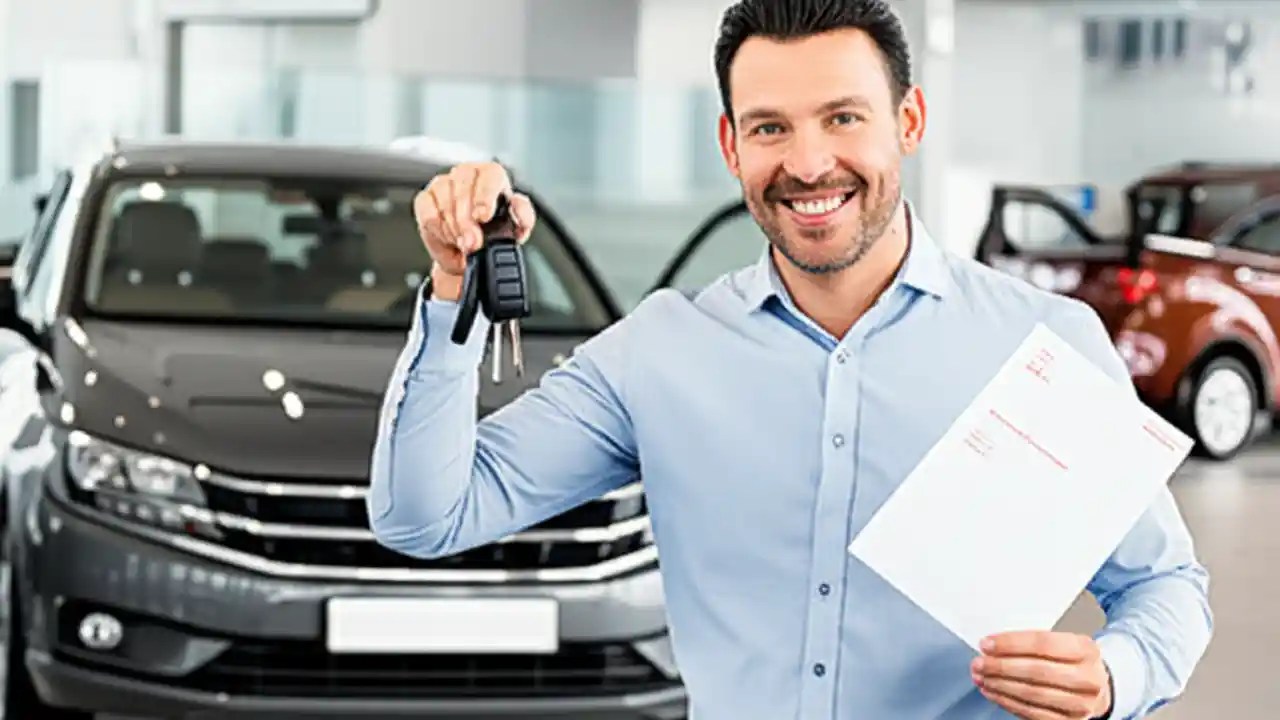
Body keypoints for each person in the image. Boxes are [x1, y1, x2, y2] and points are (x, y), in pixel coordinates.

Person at [366, 0, 1213, 718]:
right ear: (732, 145)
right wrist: (451, 289)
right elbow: (427, 516)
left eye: (843, 117)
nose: (808, 165)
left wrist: (1114, 677)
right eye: (772, 127)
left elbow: (1166, 585)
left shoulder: (1043, 345)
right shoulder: (658, 353)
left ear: (907, 122)